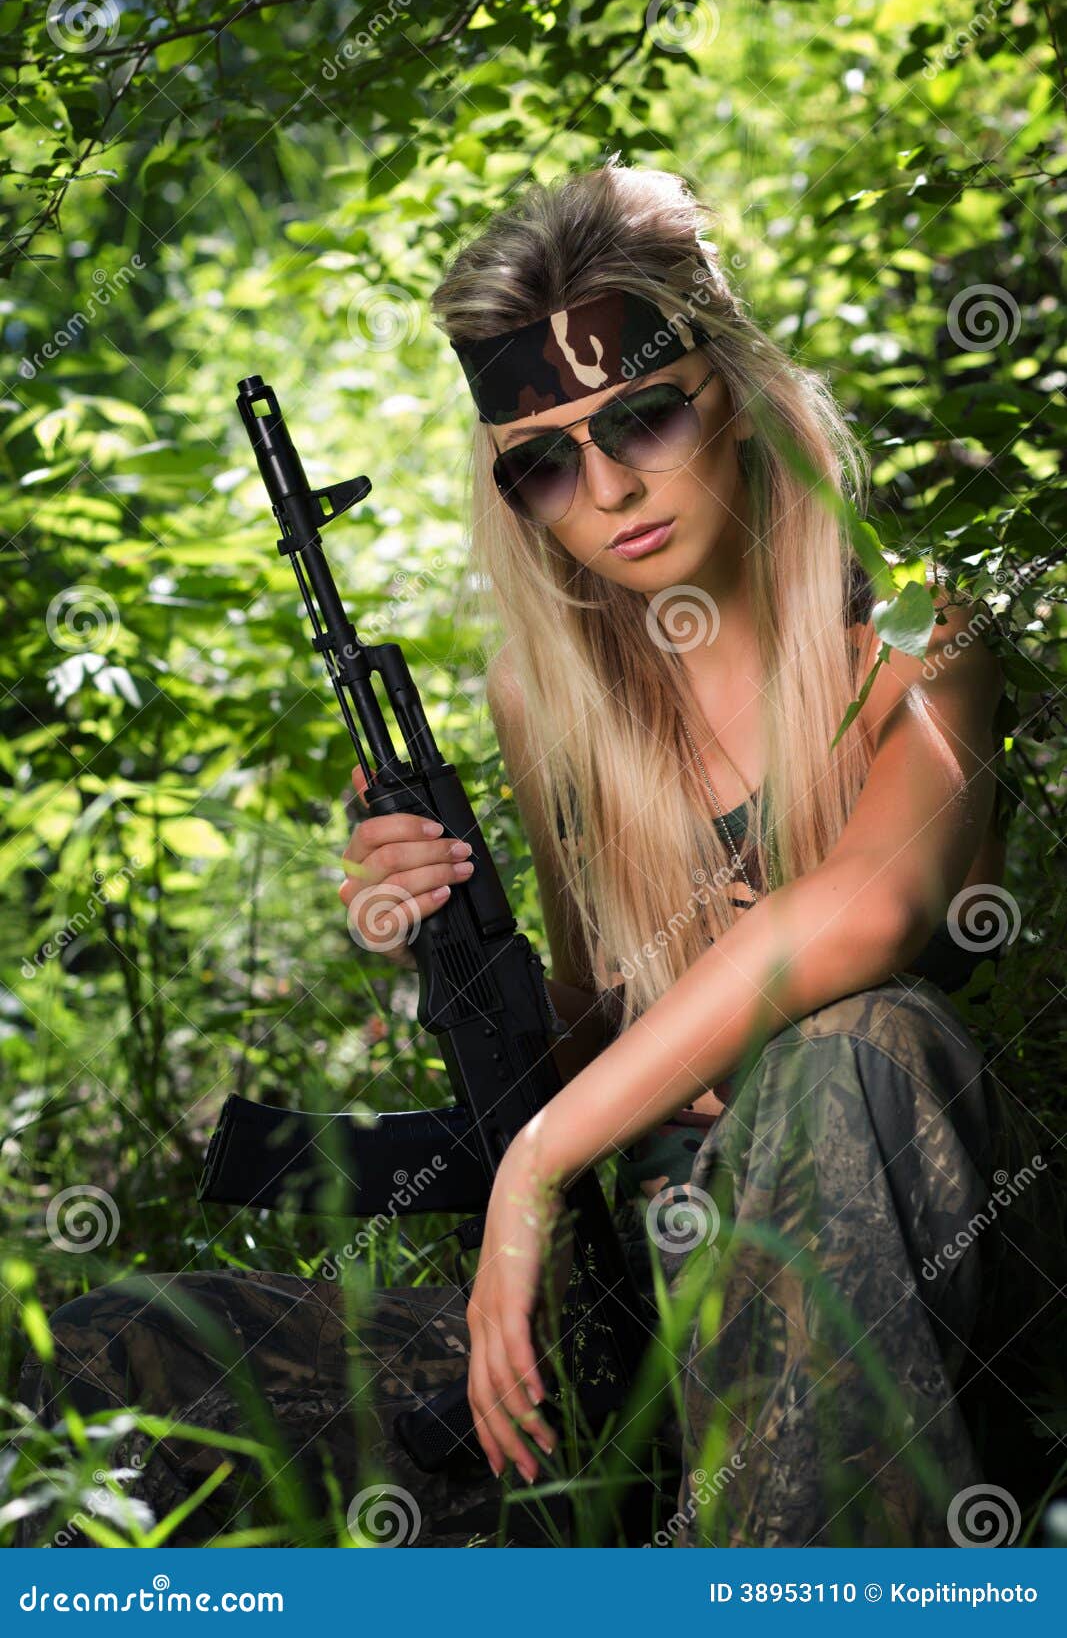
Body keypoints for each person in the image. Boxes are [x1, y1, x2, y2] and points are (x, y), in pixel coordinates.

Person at [15, 159, 1060, 1550]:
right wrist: (454, 944)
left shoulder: (920, 639)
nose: (609, 487)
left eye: (644, 416)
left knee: (854, 1049)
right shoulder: (552, 703)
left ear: (735, 392)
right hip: (642, 1304)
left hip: (903, 1312)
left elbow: (866, 909)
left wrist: (535, 1165)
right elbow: (598, 1025)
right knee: (116, 1352)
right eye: (546, 463)